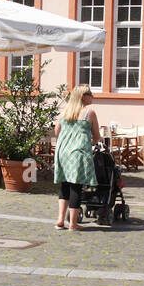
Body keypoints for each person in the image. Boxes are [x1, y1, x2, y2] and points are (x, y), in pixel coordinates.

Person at [54, 84, 100, 231]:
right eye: (90, 93)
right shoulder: (89, 113)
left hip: (63, 152)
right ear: (83, 96)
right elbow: (97, 136)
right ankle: (73, 224)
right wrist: (88, 142)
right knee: (76, 186)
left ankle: (61, 219)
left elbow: (57, 132)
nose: (92, 96)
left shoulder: (65, 113)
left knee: (65, 185)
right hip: (78, 152)